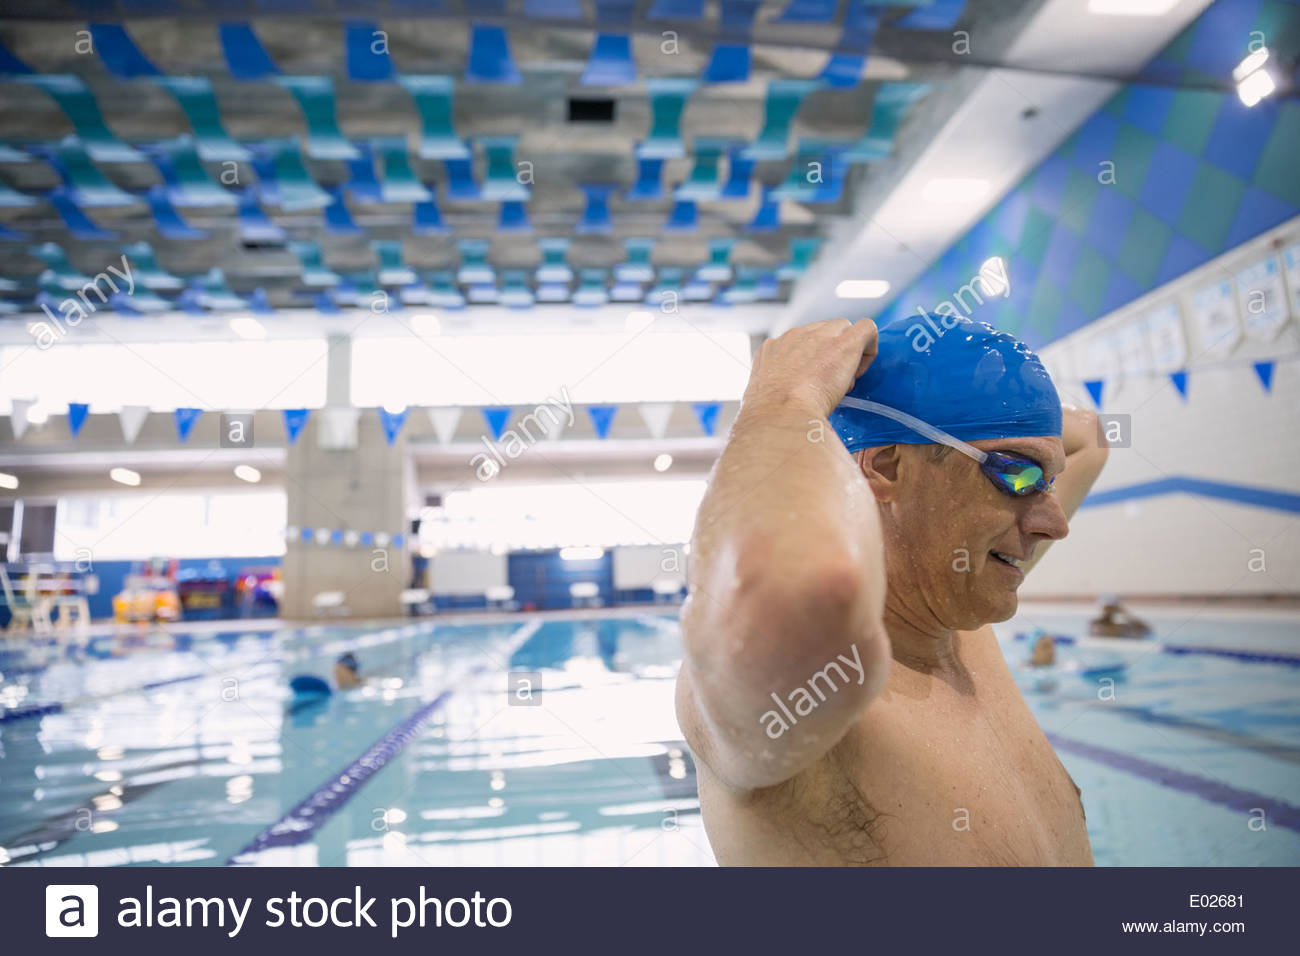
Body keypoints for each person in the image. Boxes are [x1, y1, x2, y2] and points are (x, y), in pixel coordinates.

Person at [676, 315, 1110, 865]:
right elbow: (770, 592)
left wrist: (1009, 415)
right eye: (1018, 474)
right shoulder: (800, 687)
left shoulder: (955, 611)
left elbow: (1090, 439)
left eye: (1048, 482)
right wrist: (783, 399)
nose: (1054, 521)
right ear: (886, 466)